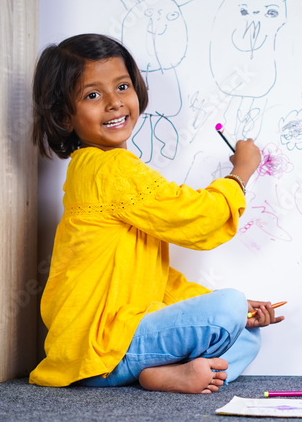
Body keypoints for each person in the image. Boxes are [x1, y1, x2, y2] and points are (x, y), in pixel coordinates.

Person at [29, 33, 283, 394]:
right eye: (92, 95)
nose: (115, 103)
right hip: (99, 347)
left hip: (121, 340)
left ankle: (164, 373)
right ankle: (159, 372)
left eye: (122, 86)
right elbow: (196, 217)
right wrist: (240, 174)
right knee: (227, 305)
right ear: (64, 116)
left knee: (247, 335)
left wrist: (243, 311)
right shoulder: (109, 169)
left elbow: (155, 279)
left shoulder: (99, 170)